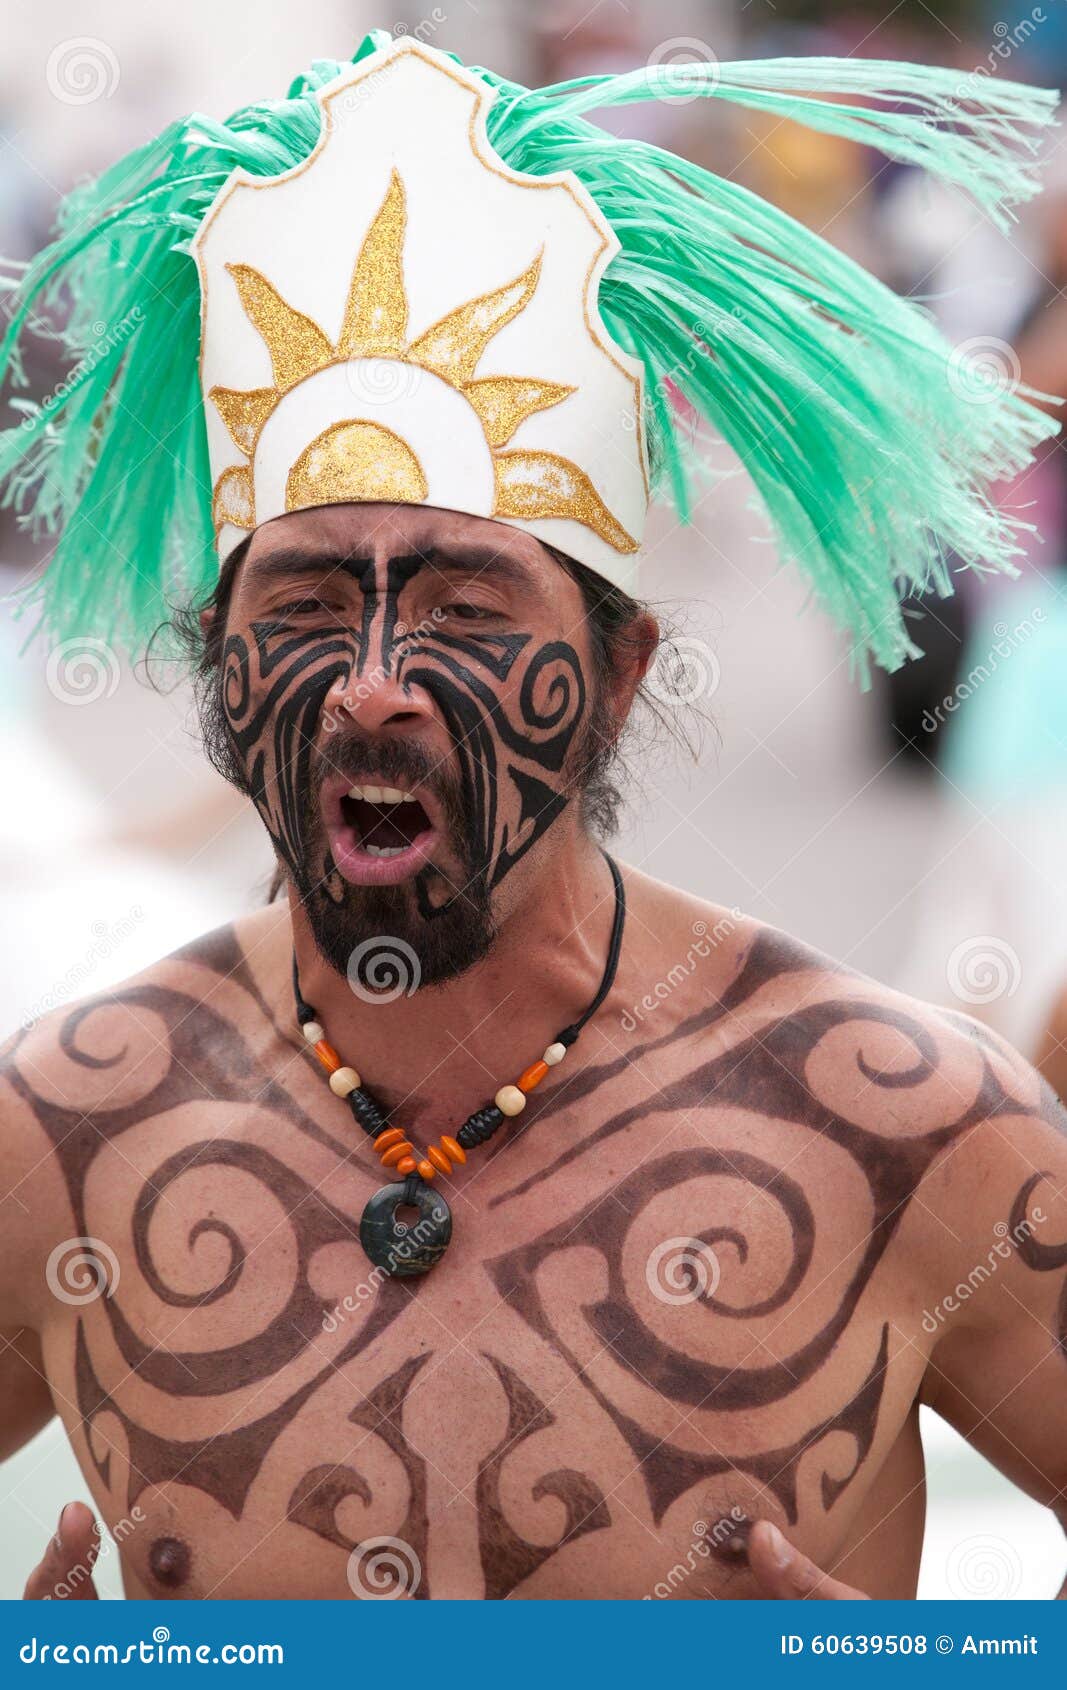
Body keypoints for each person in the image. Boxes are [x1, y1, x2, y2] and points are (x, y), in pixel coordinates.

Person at [1, 32, 1065, 1603]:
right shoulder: (66, 1136)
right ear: (220, 671)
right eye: (303, 602)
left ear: (622, 670)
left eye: (461, 602)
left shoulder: (909, 1132)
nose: (373, 684)